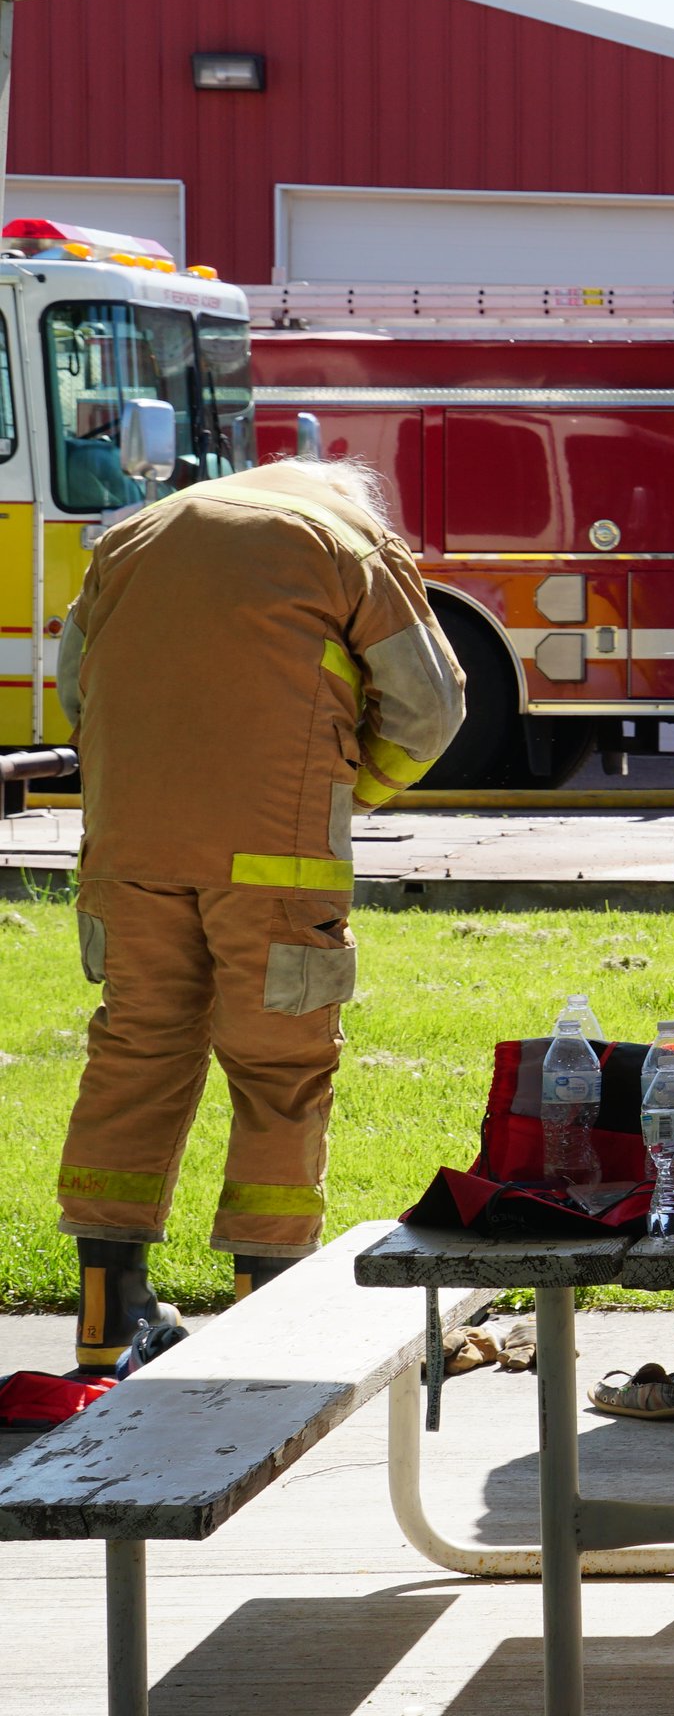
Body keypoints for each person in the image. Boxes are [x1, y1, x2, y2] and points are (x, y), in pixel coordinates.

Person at [54, 456, 464, 1371]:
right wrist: (354, 793)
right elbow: (431, 707)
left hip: (130, 853)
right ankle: (264, 1317)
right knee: (281, 1072)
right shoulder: (350, 541)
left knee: (134, 1055)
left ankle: (107, 1317)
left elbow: (76, 688)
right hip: (275, 859)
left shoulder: (133, 537)